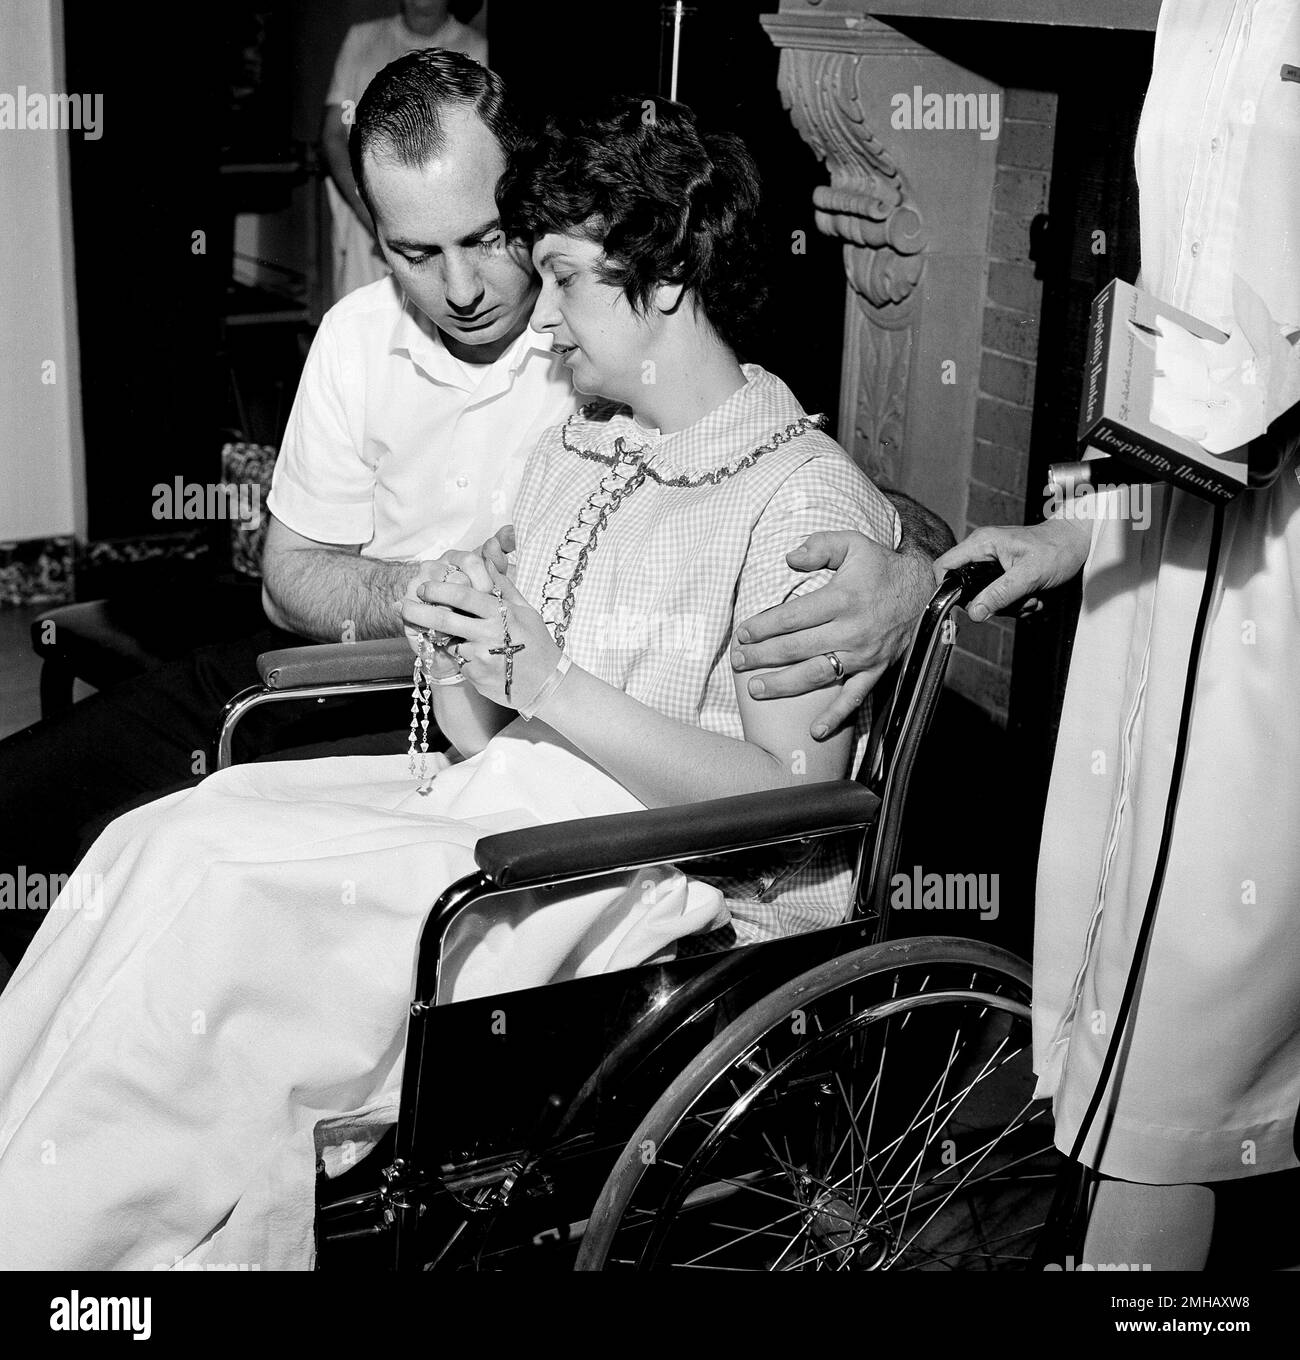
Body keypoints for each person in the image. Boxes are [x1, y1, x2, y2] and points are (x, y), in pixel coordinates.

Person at [0, 96, 902, 1271]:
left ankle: (68, 1242)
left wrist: (554, 680)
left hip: (646, 885)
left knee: (225, 894)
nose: (542, 325)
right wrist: (461, 641)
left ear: (667, 280)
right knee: (166, 837)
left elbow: (788, 811)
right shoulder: (577, 446)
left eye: (565, 280)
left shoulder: (800, 507)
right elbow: (483, 739)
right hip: (502, 813)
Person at [744, 0, 1300, 1270]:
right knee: (1123, 1042)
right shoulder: (1198, 23)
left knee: (1182, 1053)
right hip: (1172, 563)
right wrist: (1067, 537)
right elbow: (1194, 349)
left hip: (1272, 612)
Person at [0, 51, 571, 978]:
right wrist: (420, 589)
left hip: (501, 725)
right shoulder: (355, 334)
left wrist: (903, 561)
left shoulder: (602, 328)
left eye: (489, 237)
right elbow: (292, 578)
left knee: (180, 881)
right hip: (345, 665)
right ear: (374, 232)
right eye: (417, 254)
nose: (462, 289)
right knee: (24, 800)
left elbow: (782, 453)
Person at [321, 0, 487, 302]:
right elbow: (336, 135)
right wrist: (373, 219)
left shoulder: (478, 50)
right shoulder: (362, 40)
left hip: (442, 234)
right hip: (366, 226)